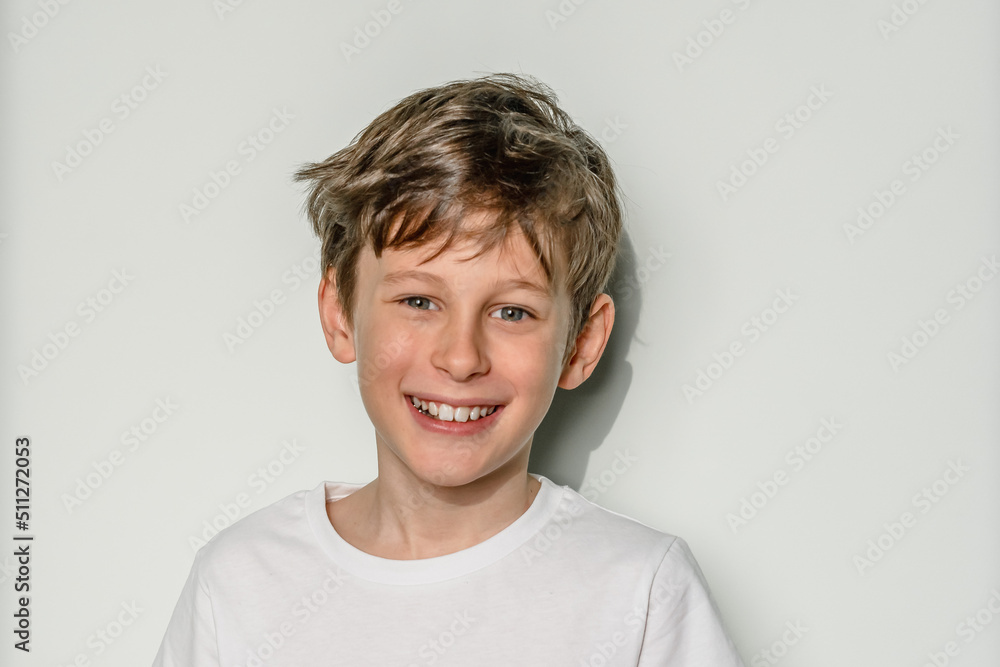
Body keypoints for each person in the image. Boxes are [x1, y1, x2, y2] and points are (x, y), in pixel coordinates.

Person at [153, 73, 745, 666]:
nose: (461, 358)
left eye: (512, 311)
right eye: (419, 301)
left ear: (581, 343)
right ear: (339, 315)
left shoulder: (642, 594)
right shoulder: (239, 583)